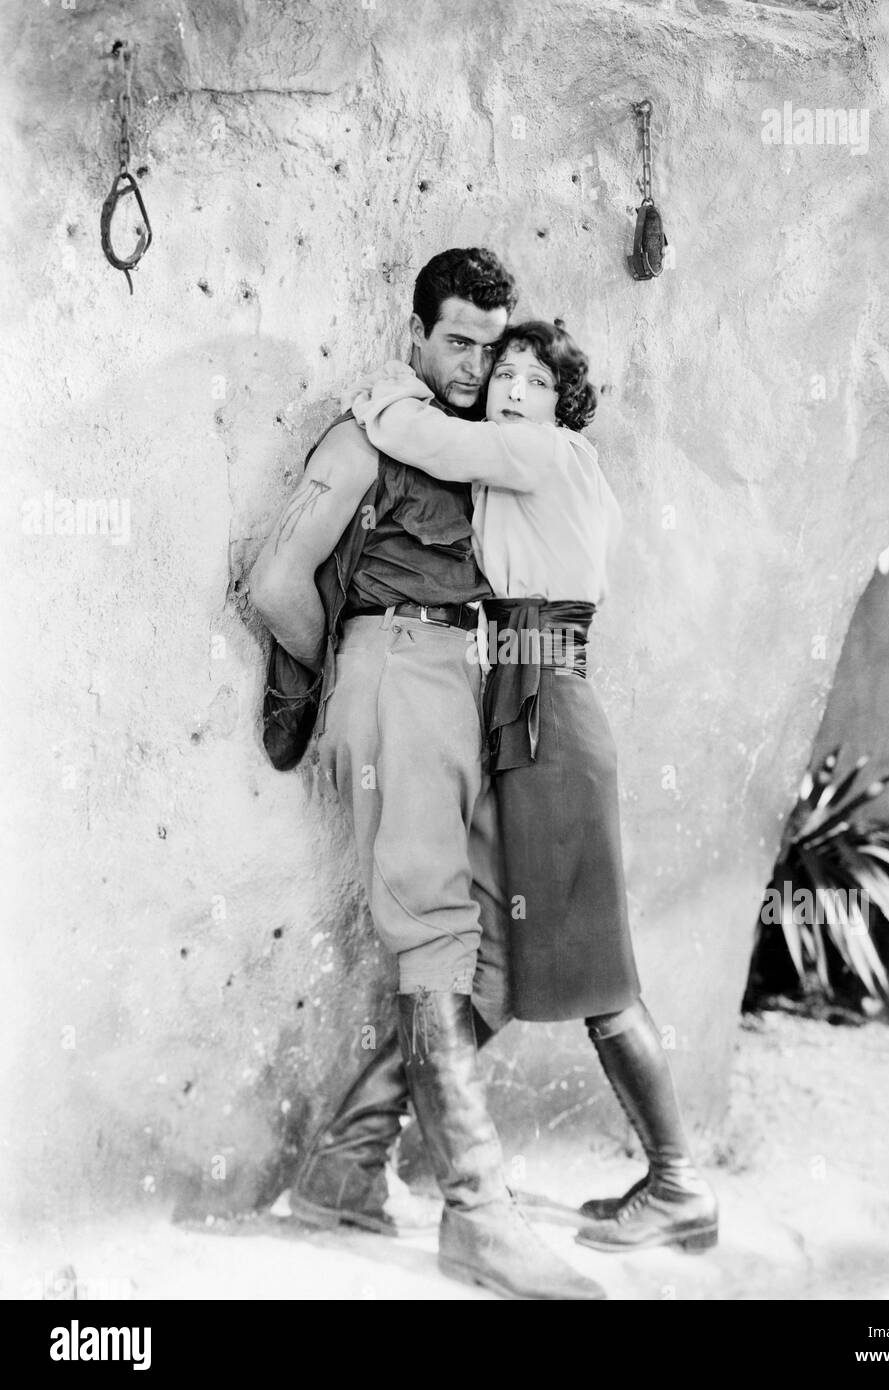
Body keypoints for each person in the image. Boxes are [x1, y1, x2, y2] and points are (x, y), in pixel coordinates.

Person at [250, 252, 606, 1300]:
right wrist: (353, 673)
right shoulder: (373, 429)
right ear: (413, 334)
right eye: (455, 339)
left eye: (488, 344)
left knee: (480, 945)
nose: (473, 362)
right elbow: (276, 584)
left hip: (463, 687)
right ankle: (477, 1214)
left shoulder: (477, 446)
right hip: (402, 665)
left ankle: (345, 1168)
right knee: (437, 934)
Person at [345, 319, 719, 1254]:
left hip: (545, 709)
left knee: (592, 965)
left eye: (533, 379)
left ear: (561, 404)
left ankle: (679, 1183)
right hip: (532, 704)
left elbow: (428, 438)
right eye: (501, 372)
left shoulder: (540, 452)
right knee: (503, 956)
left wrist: (384, 397)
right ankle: (357, 1151)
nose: (511, 386)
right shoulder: (536, 466)